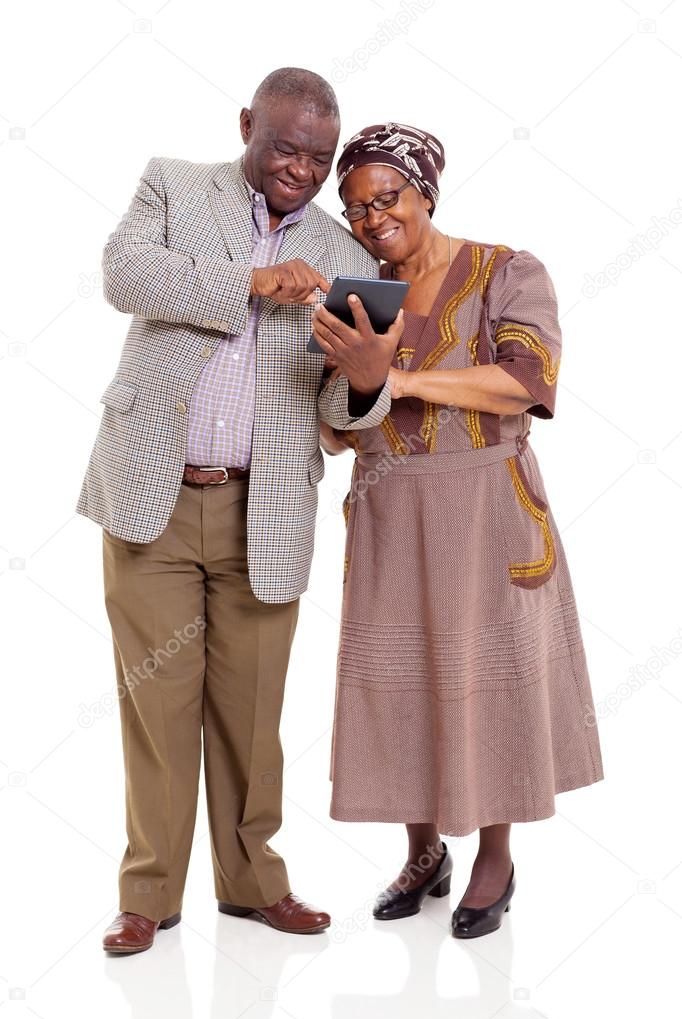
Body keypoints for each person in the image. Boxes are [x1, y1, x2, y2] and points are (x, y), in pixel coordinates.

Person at [76, 72, 399, 955]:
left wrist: (367, 379)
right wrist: (254, 281)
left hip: (269, 506)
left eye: (318, 159)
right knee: (158, 704)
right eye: (285, 148)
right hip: (155, 496)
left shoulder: (350, 258)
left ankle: (254, 883)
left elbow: (338, 414)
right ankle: (148, 894)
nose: (300, 169)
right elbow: (125, 273)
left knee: (253, 714)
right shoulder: (176, 185)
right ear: (248, 126)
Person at [312, 122, 604, 939]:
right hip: (389, 505)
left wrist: (397, 375)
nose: (372, 219)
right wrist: (359, 388)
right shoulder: (361, 293)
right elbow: (335, 428)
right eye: (356, 206)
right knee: (400, 681)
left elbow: (524, 381)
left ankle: (495, 858)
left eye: (387, 197)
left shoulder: (508, 270)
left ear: (425, 191)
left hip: (488, 509)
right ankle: (422, 850)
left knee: (490, 677)